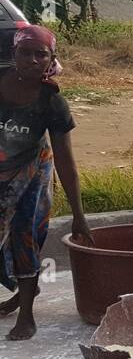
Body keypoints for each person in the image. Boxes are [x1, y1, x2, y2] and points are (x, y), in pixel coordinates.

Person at [0, 23, 92, 340]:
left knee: (24, 236)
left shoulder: (51, 102)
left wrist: (79, 216)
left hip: (32, 175)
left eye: (41, 54)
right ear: (14, 54)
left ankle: (26, 315)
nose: (33, 60)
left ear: (51, 59)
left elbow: (66, 161)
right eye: (26, 53)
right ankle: (23, 290)